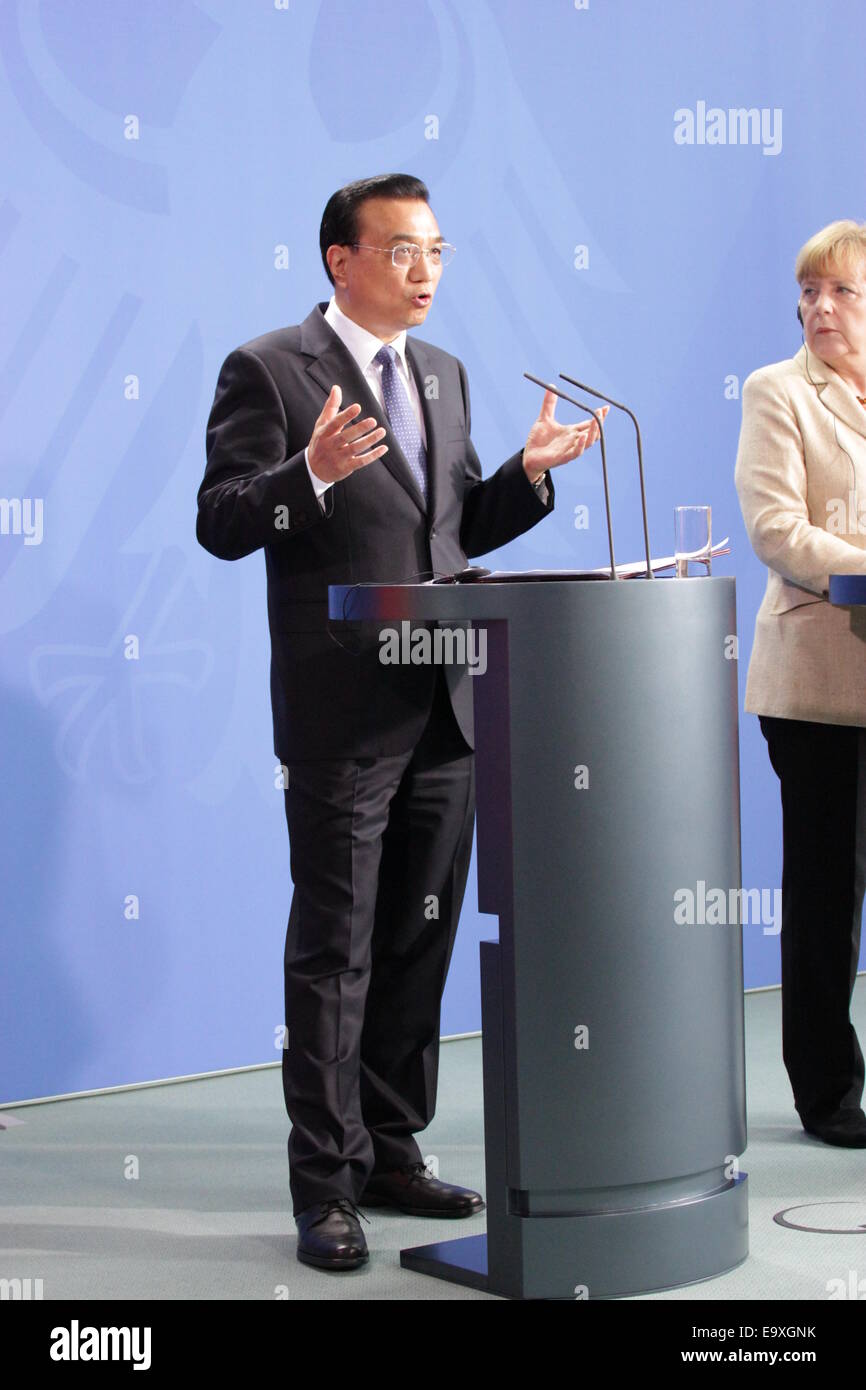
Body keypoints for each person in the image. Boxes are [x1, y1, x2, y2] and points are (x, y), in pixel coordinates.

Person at [197, 173, 606, 1270]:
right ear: (341, 259)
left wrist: (523, 476)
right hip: (343, 710)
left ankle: (389, 1147)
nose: (424, 271)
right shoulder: (269, 369)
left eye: (436, 251)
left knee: (418, 939)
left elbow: (450, 527)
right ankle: (323, 1190)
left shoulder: (443, 372)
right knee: (335, 952)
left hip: (446, 700)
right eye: (401, 251)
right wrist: (308, 473)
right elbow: (222, 521)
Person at [735, 218, 866, 1149]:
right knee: (827, 895)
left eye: (842, 293)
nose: (821, 308)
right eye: (809, 293)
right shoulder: (778, 392)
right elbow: (778, 529)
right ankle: (827, 1092)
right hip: (822, 685)